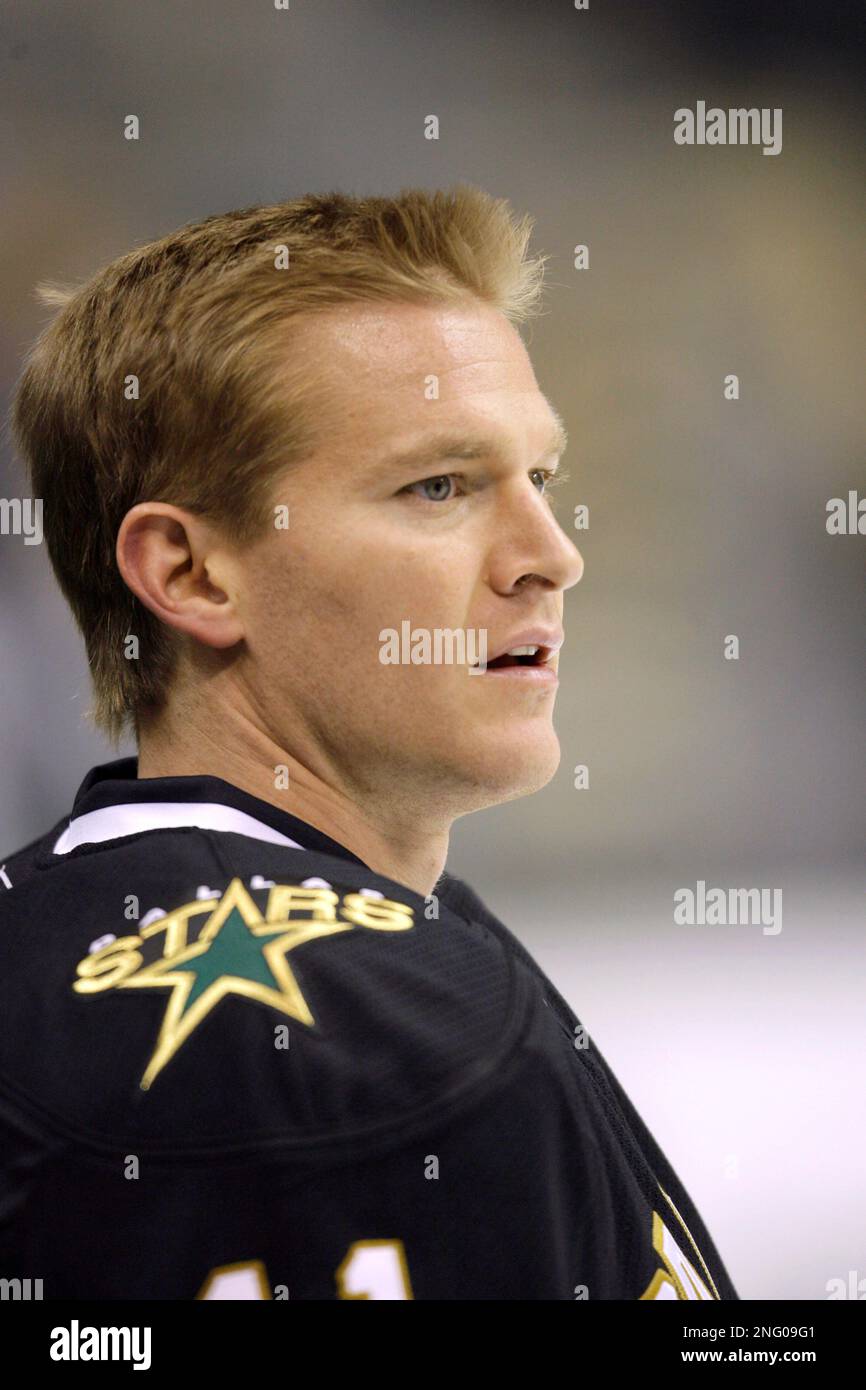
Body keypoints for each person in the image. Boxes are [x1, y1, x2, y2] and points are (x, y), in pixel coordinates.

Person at [0, 185, 738, 1300]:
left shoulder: (43, 932)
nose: (550, 555)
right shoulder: (374, 1031)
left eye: (538, 478)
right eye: (436, 485)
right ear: (191, 573)